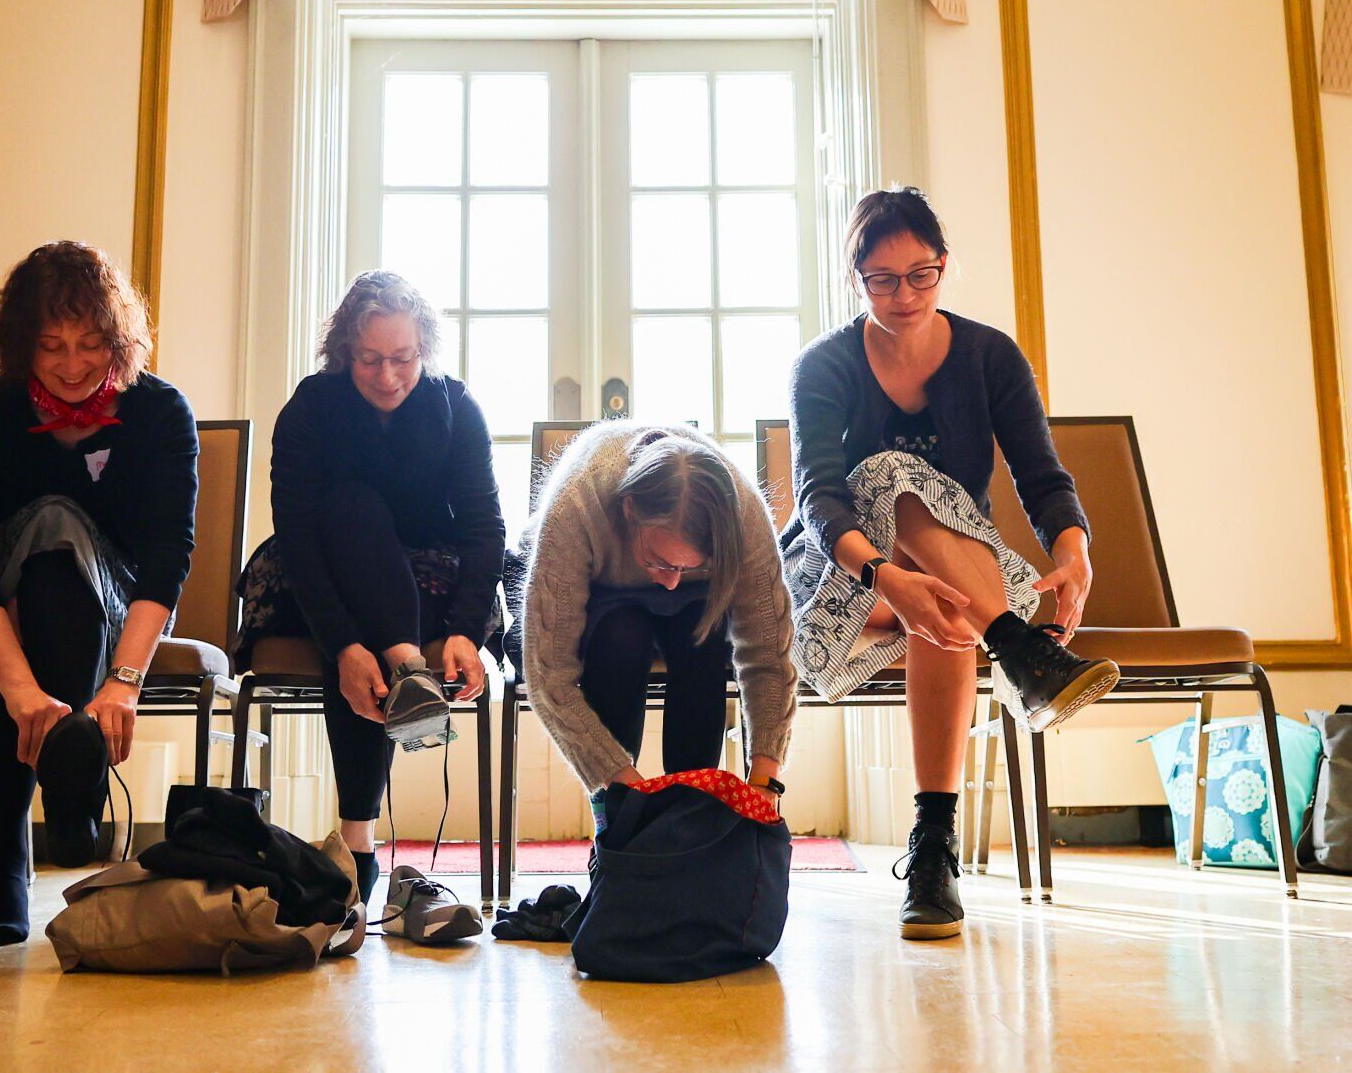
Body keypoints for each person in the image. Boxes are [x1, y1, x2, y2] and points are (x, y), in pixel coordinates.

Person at [783, 186, 1118, 941]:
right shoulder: (823, 366)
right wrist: (883, 573)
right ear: (853, 279)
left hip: (948, 581)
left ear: (944, 265)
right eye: (882, 279)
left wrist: (1074, 550)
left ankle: (931, 849)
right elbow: (817, 495)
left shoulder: (990, 355)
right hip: (841, 580)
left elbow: (1041, 475)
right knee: (887, 473)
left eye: (922, 274)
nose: (904, 295)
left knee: (942, 599)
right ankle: (1017, 648)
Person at [0, 240, 198, 947]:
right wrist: (22, 692)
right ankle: (62, 784)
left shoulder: (161, 415)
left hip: (120, 620)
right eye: (51, 347)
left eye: (90, 344)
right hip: (8, 622)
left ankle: (10, 861)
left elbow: (167, 560)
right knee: (43, 558)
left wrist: (124, 682)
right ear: (20, 346)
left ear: (118, 340)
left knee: (62, 554)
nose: (74, 364)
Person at [235, 271, 503, 937]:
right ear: (344, 352)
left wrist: (468, 629)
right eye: (371, 359)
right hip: (321, 579)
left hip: (433, 586)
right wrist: (345, 644)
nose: (388, 377)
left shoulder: (455, 406)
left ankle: (358, 848)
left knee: (369, 622)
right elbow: (298, 534)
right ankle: (407, 669)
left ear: (425, 349)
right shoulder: (310, 409)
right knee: (351, 510)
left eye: (403, 359)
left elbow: (483, 526)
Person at [518, 422, 797, 834]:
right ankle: (610, 822)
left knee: (701, 635)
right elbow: (549, 674)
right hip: (600, 603)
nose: (670, 580)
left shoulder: (744, 517)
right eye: (661, 561)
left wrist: (764, 781)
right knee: (621, 638)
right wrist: (618, 781)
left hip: (697, 608)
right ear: (630, 509)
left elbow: (769, 657)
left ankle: (692, 819)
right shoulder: (578, 502)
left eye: (689, 565)